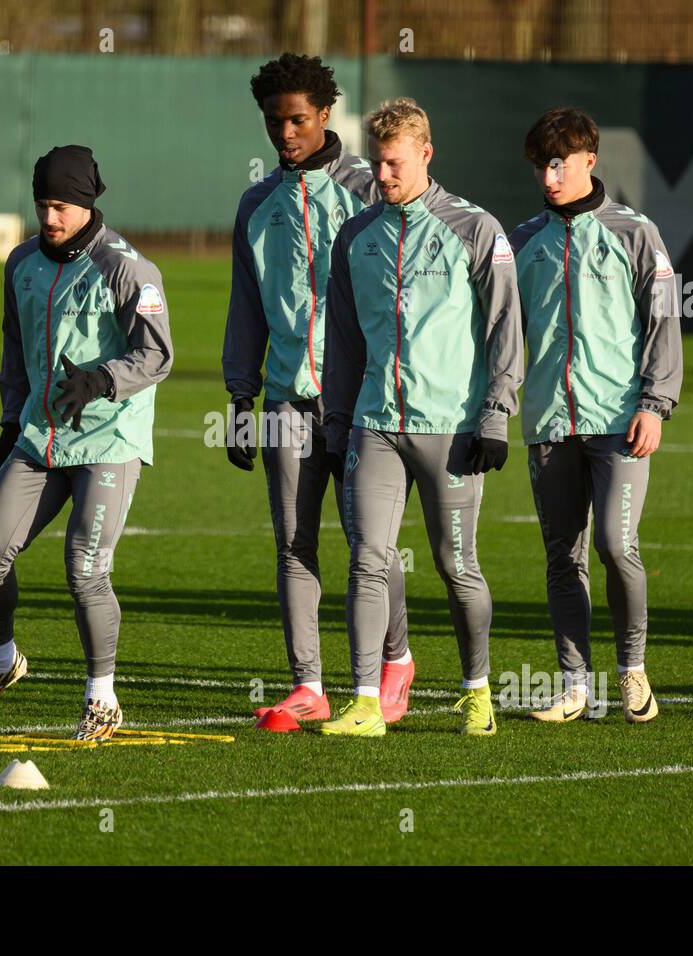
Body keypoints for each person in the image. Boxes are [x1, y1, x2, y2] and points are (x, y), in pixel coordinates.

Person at [321, 98, 523, 737]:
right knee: (367, 557)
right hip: (375, 424)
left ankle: (477, 691)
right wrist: (336, 419)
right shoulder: (355, 236)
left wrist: (496, 412)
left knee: (454, 565)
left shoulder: (475, 229)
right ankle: (363, 702)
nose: (382, 176)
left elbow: (504, 330)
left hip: (454, 427)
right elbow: (345, 341)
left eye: (395, 164)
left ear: (426, 154)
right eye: (377, 163)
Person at [222, 53, 414, 728]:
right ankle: (309, 684)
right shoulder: (255, 205)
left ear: (326, 114)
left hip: (361, 399)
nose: (286, 133)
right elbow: (246, 305)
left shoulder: (371, 188)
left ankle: (396, 662)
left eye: (298, 119)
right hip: (284, 400)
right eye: (275, 122)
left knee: (370, 545)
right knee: (294, 544)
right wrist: (240, 398)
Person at [0, 146, 173, 741]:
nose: (49, 218)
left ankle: (102, 697)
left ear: (86, 204)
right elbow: (14, 350)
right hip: (39, 437)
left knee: (85, 568)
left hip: (110, 438)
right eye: (42, 205)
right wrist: (9, 425)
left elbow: (158, 355)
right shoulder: (21, 262)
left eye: (60, 206)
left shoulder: (129, 268)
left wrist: (102, 380)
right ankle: (2, 665)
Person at [509, 107, 682, 723]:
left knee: (616, 544)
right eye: (540, 166)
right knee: (563, 555)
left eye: (558, 163)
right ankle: (575, 686)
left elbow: (664, 320)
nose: (549, 177)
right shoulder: (522, 241)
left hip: (620, 423)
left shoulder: (638, 234)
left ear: (589, 160)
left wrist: (655, 404)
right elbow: (501, 335)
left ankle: (633, 672)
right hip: (549, 424)